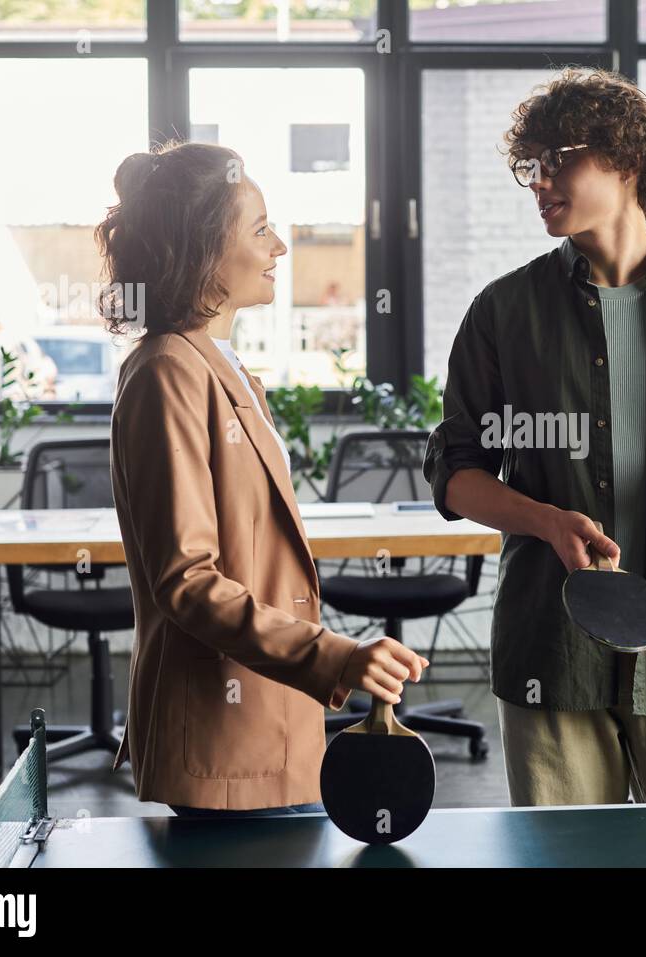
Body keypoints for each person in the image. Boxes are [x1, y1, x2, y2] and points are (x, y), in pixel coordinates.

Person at [423, 68, 646, 807]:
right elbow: (454, 473)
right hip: (551, 654)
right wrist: (546, 521)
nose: (539, 181)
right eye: (532, 164)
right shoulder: (502, 311)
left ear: (627, 161)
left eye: (560, 158)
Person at [99, 141, 428, 816]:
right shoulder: (169, 371)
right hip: (224, 741)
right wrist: (337, 655)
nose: (279, 246)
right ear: (199, 252)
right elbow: (187, 582)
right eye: (258, 229)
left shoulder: (221, 365)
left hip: (275, 720)